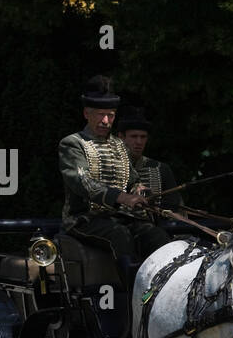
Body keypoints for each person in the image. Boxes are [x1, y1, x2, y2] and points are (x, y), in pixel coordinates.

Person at [58, 76, 171, 288]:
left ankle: (163, 290)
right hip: (84, 220)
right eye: (100, 115)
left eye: (110, 115)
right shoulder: (73, 144)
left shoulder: (119, 145)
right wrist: (123, 198)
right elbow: (83, 182)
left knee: (156, 235)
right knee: (120, 236)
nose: (106, 121)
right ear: (86, 114)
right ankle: (132, 293)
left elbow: (132, 181)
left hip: (121, 218)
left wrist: (142, 192)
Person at [115, 105, 185, 220]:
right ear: (121, 137)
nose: (139, 142)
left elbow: (175, 209)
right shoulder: (110, 167)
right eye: (134, 136)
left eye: (143, 137)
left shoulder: (161, 169)